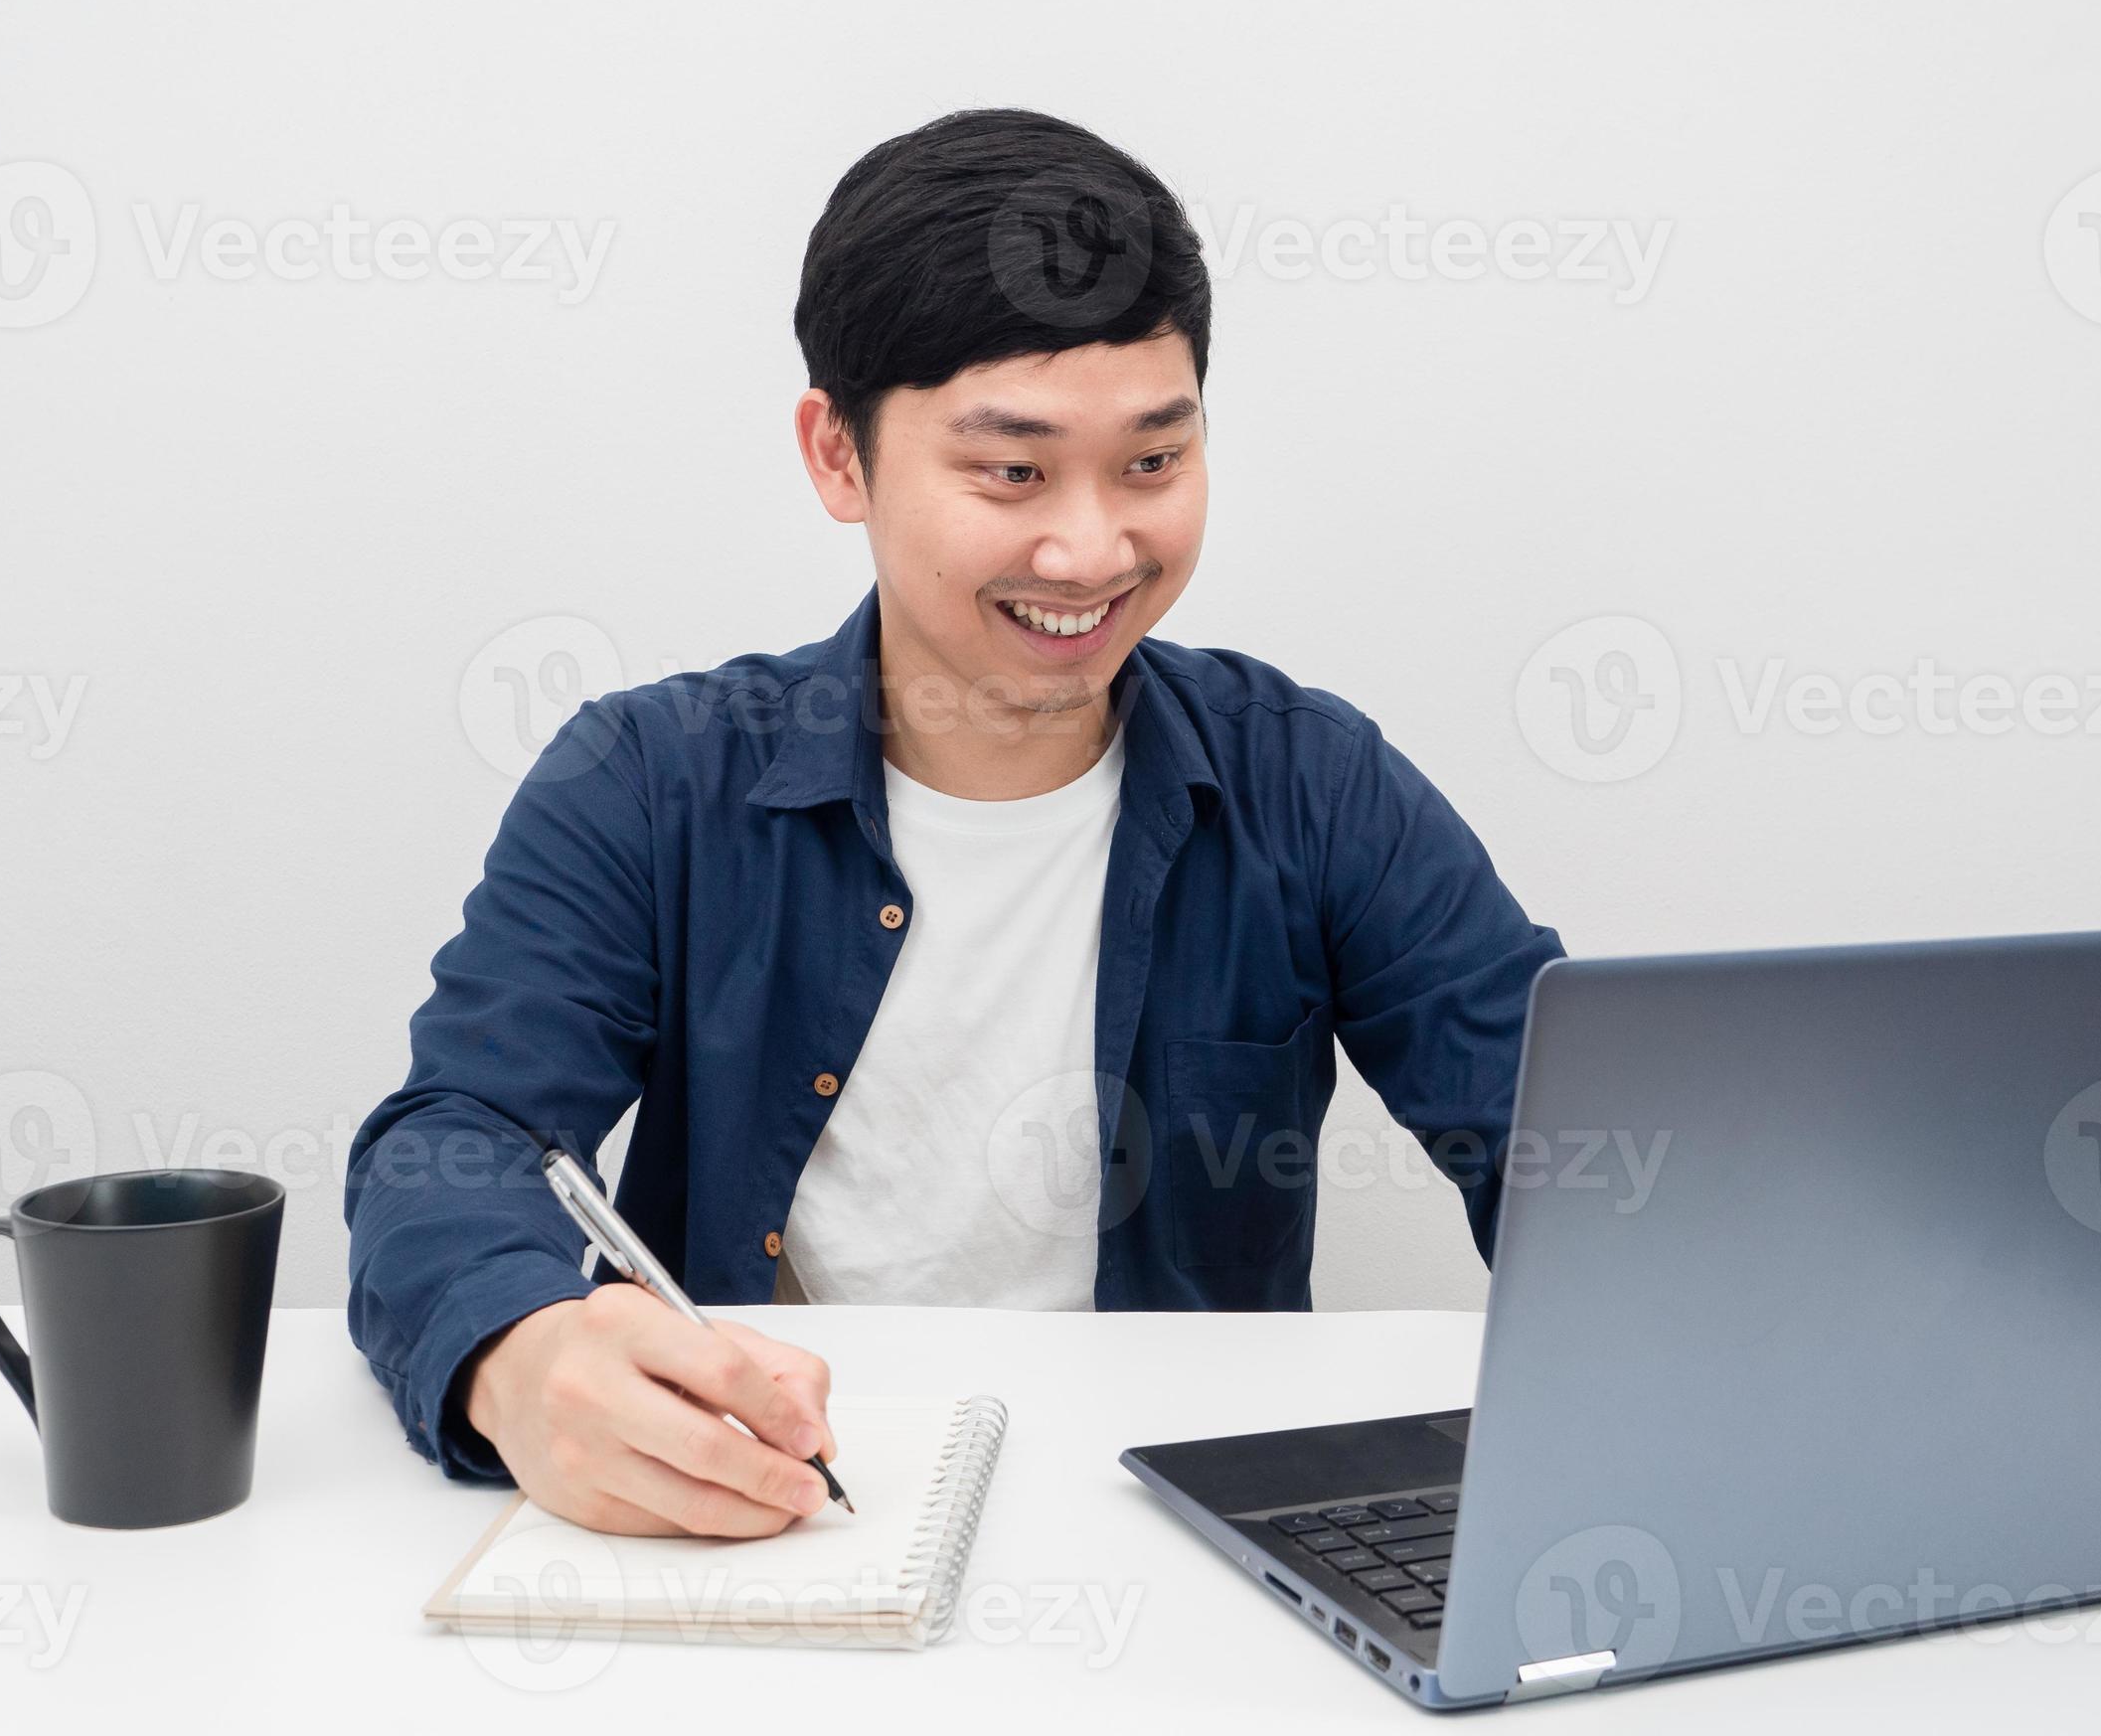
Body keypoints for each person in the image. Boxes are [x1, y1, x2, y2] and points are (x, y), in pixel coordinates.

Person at [343, 107, 1564, 1538]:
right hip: (775, 1514)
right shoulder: (648, 780)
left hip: (1175, 1536)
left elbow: (1564, 1135)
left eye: (1152, 463)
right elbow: (456, 1137)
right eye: (1012, 471)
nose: (1091, 550)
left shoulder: (1310, 781)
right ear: (838, 455)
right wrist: (519, 1350)